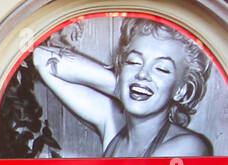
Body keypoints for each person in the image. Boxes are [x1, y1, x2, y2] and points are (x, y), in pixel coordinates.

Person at [29, 17, 212, 157]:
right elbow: (41, 57)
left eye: (161, 69)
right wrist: (123, 85)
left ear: (181, 90)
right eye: (133, 62)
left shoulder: (190, 146)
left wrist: (132, 86)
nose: (142, 74)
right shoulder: (114, 127)